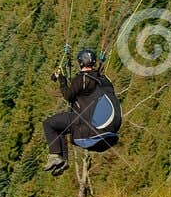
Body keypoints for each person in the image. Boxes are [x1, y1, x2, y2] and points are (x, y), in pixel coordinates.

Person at [43, 48, 120, 176]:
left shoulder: (82, 79)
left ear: (80, 63)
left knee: (49, 124)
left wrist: (61, 80)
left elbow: (68, 95)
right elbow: (95, 84)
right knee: (61, 127)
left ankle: (55, 155)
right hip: (108, 133)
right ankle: (62, 161)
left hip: (88, 128)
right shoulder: (104, 80)